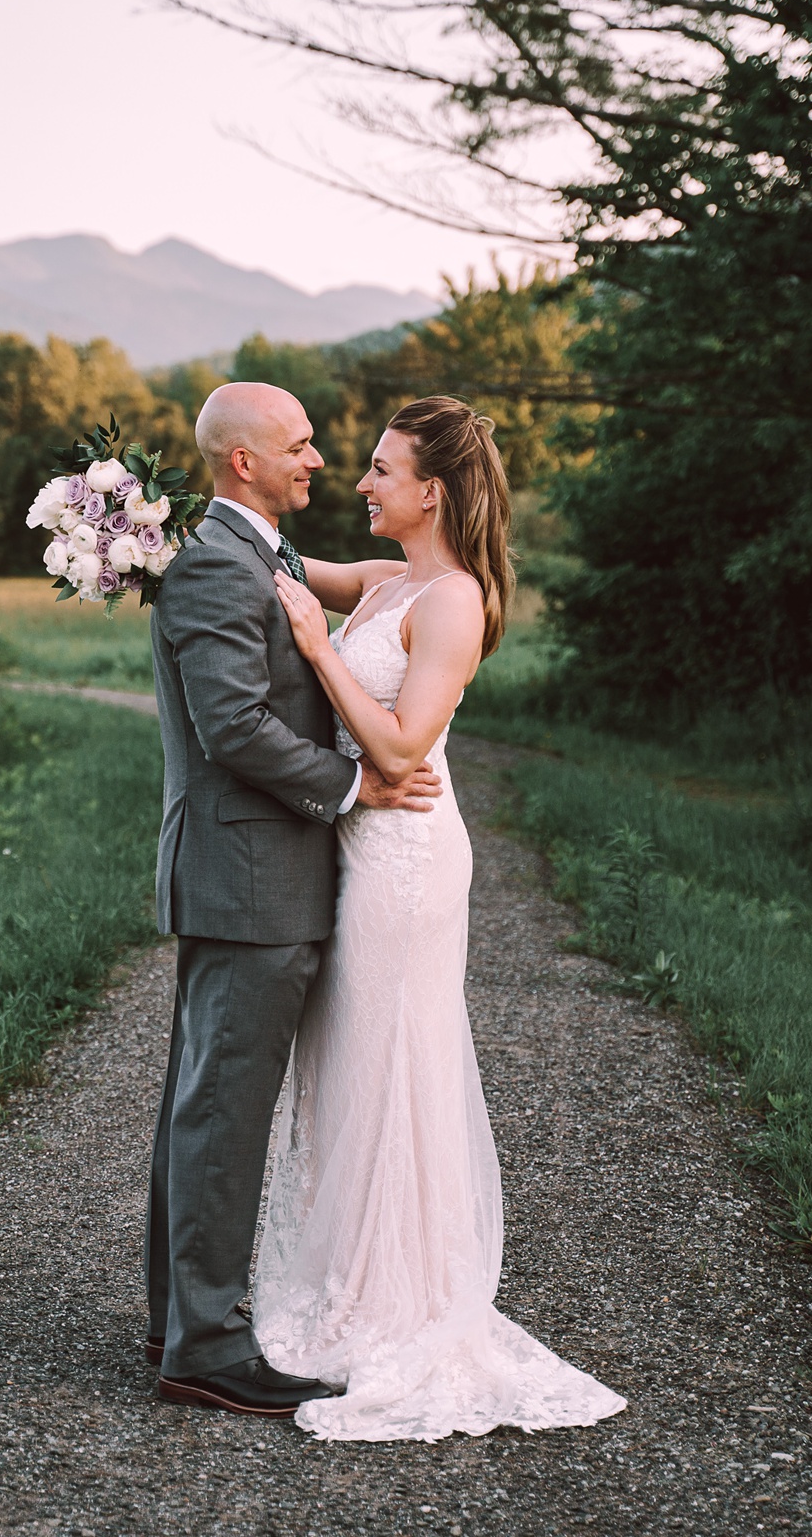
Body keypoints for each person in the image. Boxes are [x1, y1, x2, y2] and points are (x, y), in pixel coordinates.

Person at [256, 394, 627, 1440]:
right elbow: (276, 568)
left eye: (380, 469)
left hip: (406, 862)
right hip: (357, 847)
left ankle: (401, 1305)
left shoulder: (453, 601)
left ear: (433, 489)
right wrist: (145, 527)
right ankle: (354, 1285)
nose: (359, 481)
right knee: (350, 1062)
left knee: (392, 1060)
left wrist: (319, 653)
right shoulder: (385, 582)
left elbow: (405, 750)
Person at [145, 381, 443, 1417]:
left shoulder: (260, 552)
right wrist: (362, 784)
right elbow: (233, 728)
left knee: (210, 1103)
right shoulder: (219, 570)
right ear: (244, 461)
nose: (320, 459)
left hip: (263, 876)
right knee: (222, 1110)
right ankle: (208, 1347)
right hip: (249, 877)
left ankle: (180, 1321)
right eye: (304, 444)